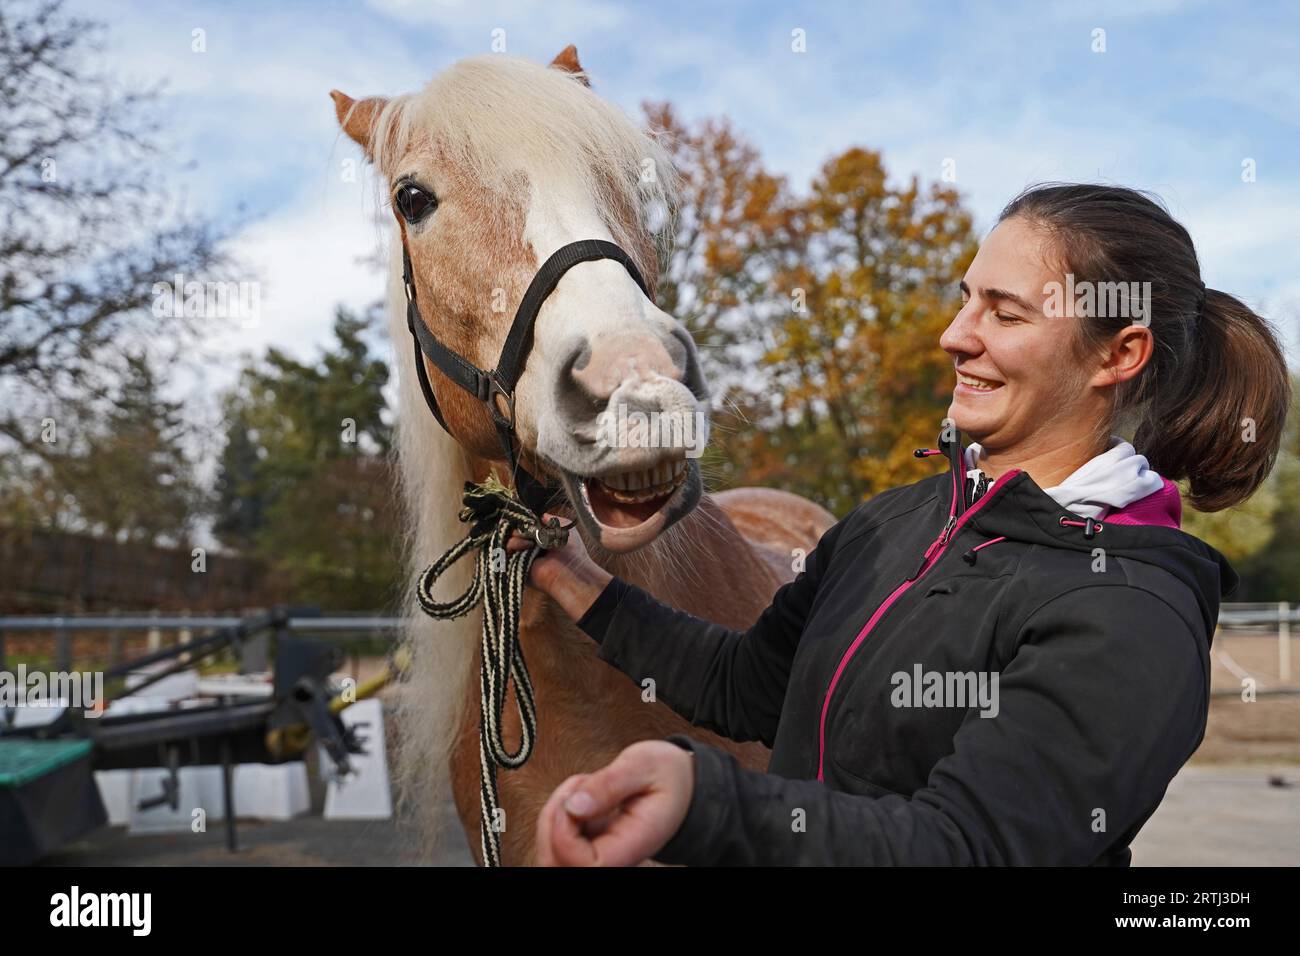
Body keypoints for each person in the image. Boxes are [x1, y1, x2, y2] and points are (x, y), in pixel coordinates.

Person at [510, 183, 1291, 866]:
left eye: (1005, 312)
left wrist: (709, 804)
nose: (956, 335)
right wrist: (579, 584)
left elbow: (960, 847)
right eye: (967, 297)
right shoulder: (898, 519)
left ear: (1118, 354)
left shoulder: (1130, 611)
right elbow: (748, 687)